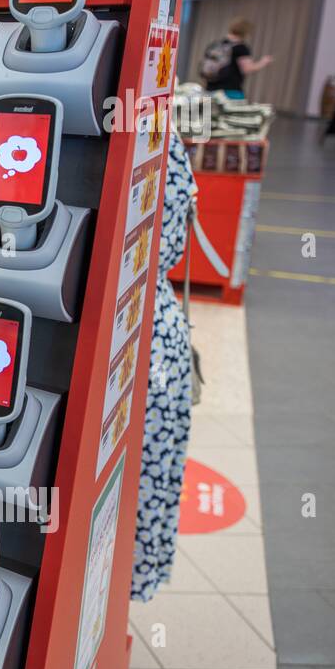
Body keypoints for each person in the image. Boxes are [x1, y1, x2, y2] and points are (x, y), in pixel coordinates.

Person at [132, 132, 198, 602]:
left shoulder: (149, 138)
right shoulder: (161, 136)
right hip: (156, 329)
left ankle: (115, 602)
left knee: (134, 485)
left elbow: (161, 249)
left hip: (142, 337)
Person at [201, 17, 273, 97]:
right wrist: (263, 62)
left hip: (208, 90)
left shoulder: (214, 45)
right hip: (230, 92)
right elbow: (247, 69)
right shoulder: (241, 48)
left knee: (205, 110)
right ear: (246, 33)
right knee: (235, 109)